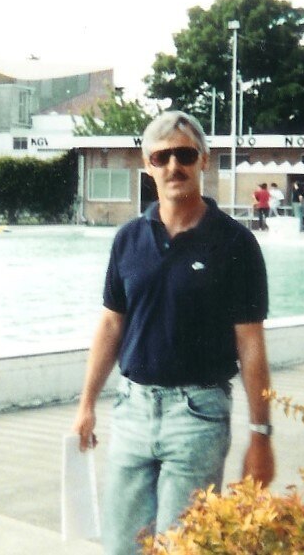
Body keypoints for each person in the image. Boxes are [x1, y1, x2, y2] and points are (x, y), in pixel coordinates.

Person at [72, 111, 273, 555]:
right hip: (132, 411)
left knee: (183, 549)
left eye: (184, 154)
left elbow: (251, 345)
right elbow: (111, 324)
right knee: (122, 548)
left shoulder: (235, 244)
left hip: (198, 416)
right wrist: (87, 404)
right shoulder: (128, 239)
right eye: (161, 157)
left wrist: (261, 435)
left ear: (204, 159)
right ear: (147, 165)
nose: (173, 167)